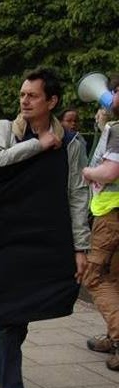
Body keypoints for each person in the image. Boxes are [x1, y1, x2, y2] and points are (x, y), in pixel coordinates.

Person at [0, 67, 89, 388]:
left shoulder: (72, 143)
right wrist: (35, 146)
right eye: (22, 94)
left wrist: (80, 247)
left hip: (45, 239)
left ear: (52, 101)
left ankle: (0, 371)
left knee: (24, 312)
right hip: (4, 237)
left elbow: (76, 194)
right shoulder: (4, 130)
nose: (23, 100)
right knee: (10, 311)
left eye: (32, 95)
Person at [80, 75, 119, 368]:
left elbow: (107, 173)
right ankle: (111, 334)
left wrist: (87, 172)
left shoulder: (117, 130)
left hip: (110, 213)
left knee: (93, 277)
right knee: (115, 278)